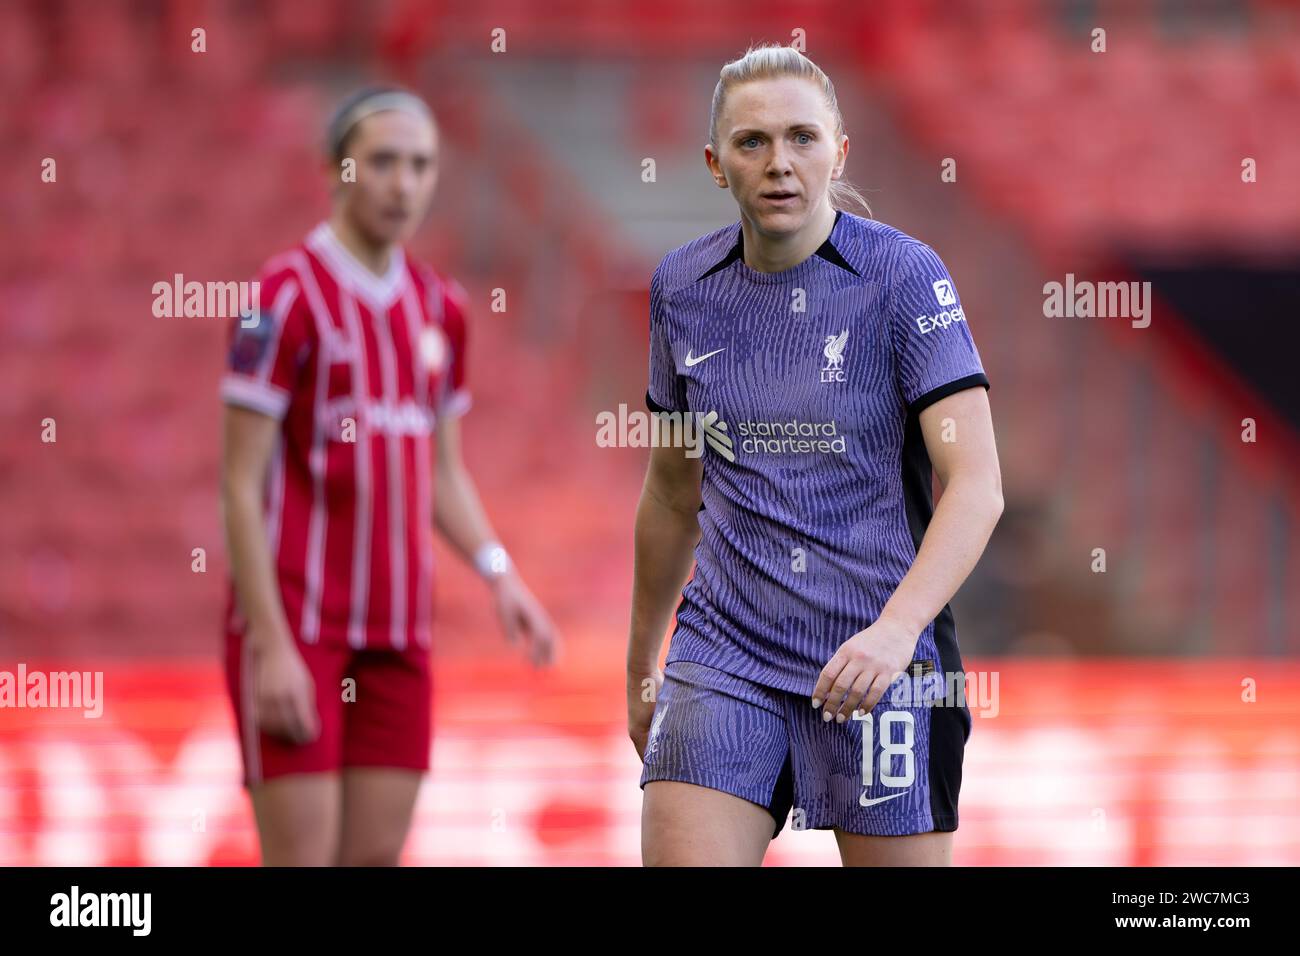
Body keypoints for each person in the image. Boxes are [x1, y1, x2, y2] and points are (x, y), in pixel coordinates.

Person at [628, 45, 1003, 866]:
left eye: (801, 138)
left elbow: (975, 484)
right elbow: (669, 495)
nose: (779, 164)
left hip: (879, 659)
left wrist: (896, 632)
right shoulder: (681, 290)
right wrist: (640, 665)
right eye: (751, 142)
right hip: (723, 656)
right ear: (715, 164)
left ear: (840, 151)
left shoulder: (905, 279)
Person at [219, 87, 558, 866]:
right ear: (337, 169)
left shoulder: (443, 309)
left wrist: (500, 573)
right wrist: (268, 643)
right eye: (382, 162)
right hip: (299, 631)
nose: (403, 182)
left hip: (400, 637)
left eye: (420, 164)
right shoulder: (279, 299)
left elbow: (442, 471)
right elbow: (239, 484)